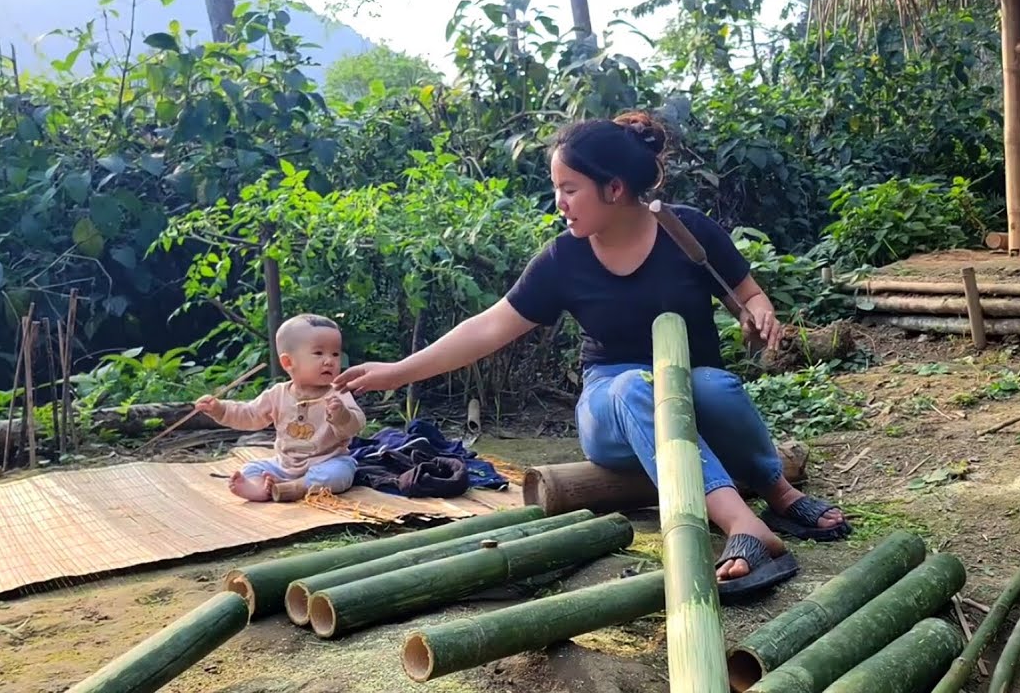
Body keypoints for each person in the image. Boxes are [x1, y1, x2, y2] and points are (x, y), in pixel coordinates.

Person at [333, 111, 849, 597]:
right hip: (613, 407)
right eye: (557, 188)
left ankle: (778, 492)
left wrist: (756, 314)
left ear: (615, 189)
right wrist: (398, 372)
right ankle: (742, 522)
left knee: (717, 385)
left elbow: (749, 293)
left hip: (694, 392)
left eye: (569, 189)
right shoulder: (565, 259)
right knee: (633, 386)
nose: (559, 202)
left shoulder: (686, 230)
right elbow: (488, 327)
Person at [197, 314, 367, 503]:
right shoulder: (277, 394)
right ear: (288, 362)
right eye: (319, 353)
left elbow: (356, 424)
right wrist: (220, 410)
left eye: (335, 354)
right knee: (251, 468)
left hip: (326, 461)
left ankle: (299, 487)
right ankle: (260, 488)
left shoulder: (338, 393)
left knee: (340, 472)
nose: (329, 361)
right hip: (284, 465)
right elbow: (250, 415)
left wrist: (342, 416)